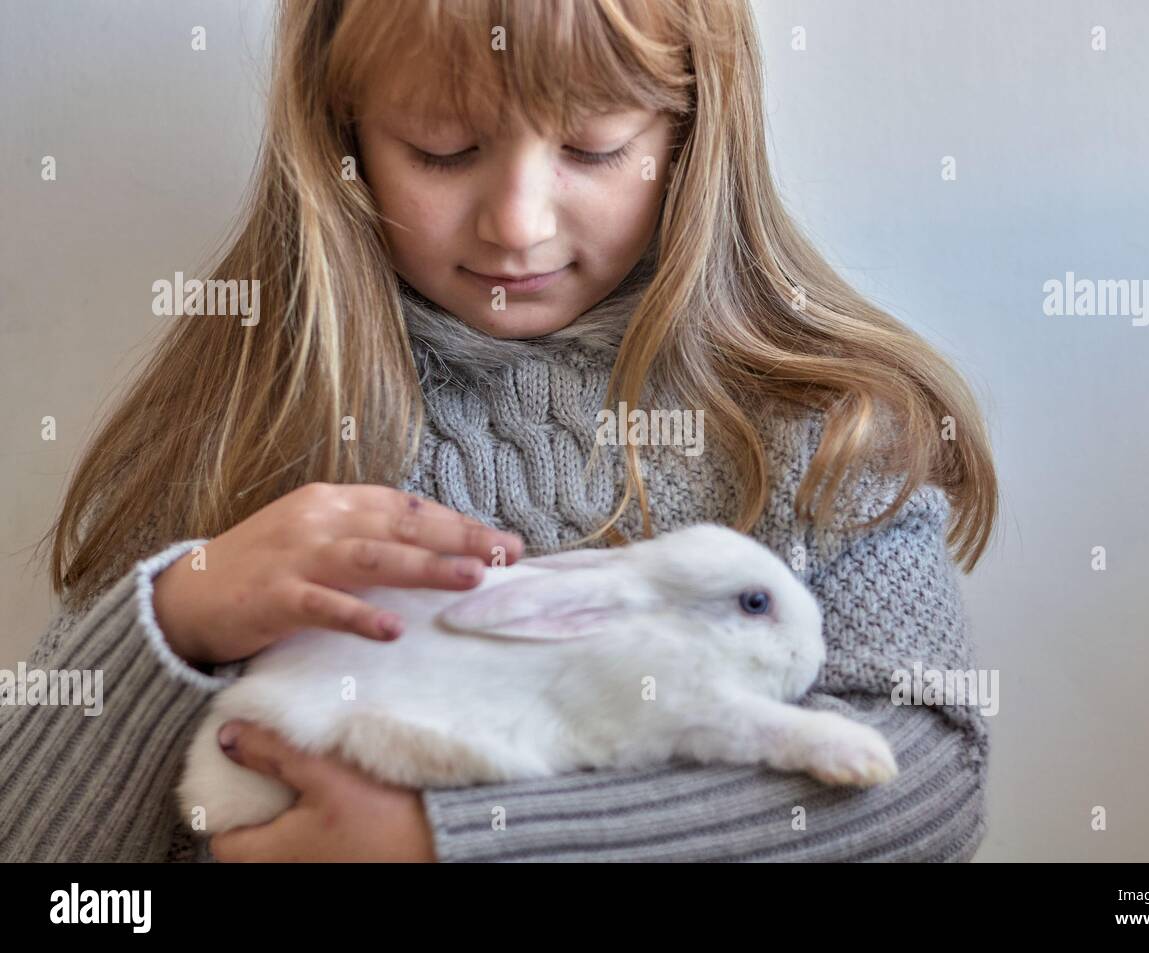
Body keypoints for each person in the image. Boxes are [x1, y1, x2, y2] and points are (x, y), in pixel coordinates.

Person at [0, 0, 998, 862]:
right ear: (341, 136)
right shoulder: (250, 425)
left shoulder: (815, 425)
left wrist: (463, 833)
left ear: (691, 132)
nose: (516, 223)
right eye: (442, 149)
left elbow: (924, 781)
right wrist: (176, 614)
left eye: (593, 147)